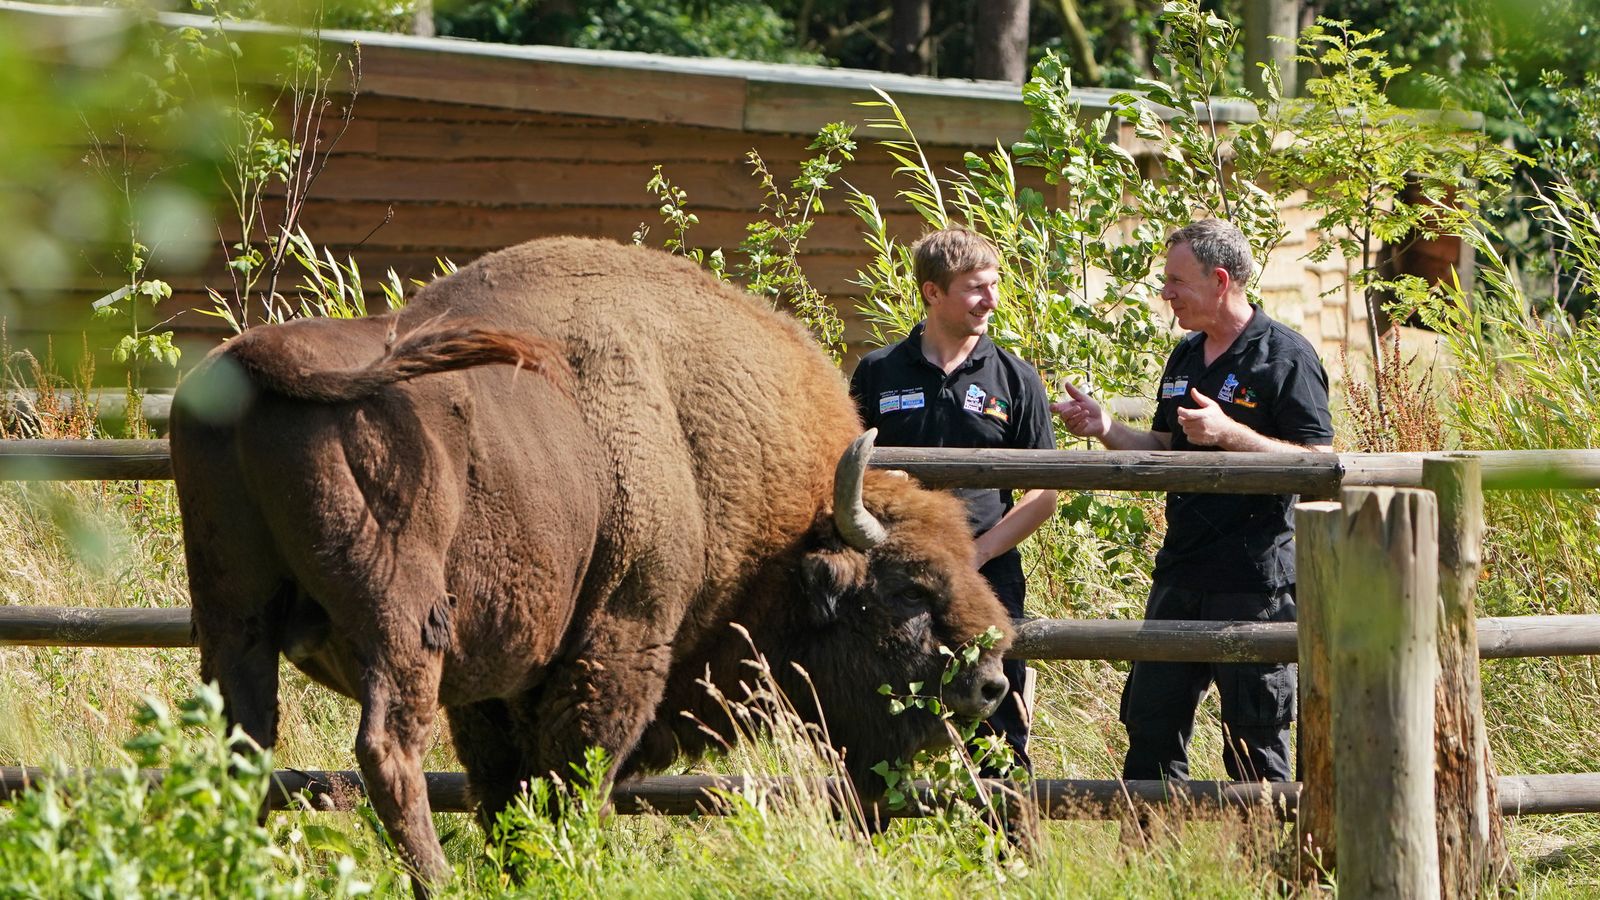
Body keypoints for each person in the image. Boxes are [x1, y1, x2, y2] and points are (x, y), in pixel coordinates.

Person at [1051, 219, 1333, 784]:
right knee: (1151, 724)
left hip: (1255, 582)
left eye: (1176, 281)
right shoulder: (1184, 355)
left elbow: (1319, 464)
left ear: (1220, 279)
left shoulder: (1286, 357)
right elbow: (1163, 445)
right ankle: (1155, 855)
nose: (1165, 293)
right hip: (1179, 571)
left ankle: (1271, 864)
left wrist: (1230, 434)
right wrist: (1105, 425)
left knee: (1254, 740)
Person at [849, 227, 1057, 775]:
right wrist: (882, 481)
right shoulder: (878, 372)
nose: (990, 300)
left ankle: (1007, 848)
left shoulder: (1016, 377)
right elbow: (849, 471)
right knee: (881, 710)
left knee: (995, 719)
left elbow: (1044, 492)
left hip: (986, 574)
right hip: (894, 574)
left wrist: (978, 555)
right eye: (975, 288)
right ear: (932, 293)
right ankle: (868, 848)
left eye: (993, 286)